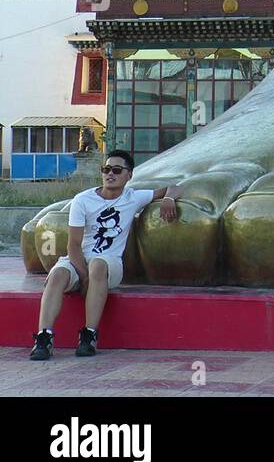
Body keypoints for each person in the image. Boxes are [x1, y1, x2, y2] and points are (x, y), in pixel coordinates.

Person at [29, 150, 181, 360]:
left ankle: (89, 335)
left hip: (109, 264)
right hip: (78, 259)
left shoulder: (133, 197)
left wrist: (169, 198)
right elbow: (73, 245)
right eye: (106, 169)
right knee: (56, 275)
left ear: (129, 175)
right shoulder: (82, 200)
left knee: (98, 265)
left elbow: (174, 187)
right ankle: (44, 337)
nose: (110, 174)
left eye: (117, 170)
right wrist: (83, 277)